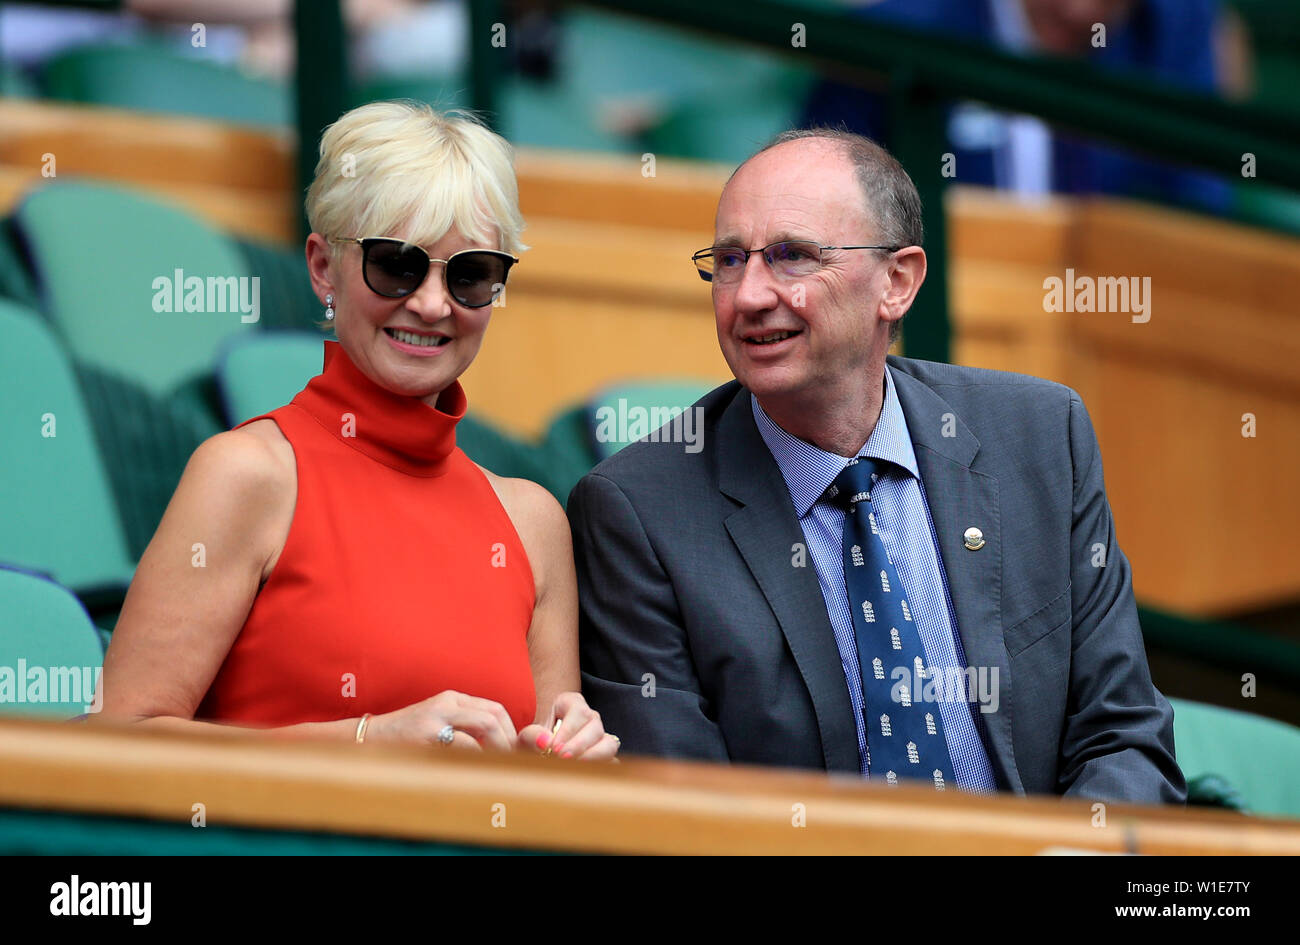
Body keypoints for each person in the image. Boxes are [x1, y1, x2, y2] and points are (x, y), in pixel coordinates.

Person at [568, 128, 1183, 801]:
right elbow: (690, 814)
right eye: (731, 260)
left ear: (897, 281)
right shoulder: (640, 513)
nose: (747, 296)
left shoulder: (1038, 436)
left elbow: (1124, 736)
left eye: (791, 256)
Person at [96, 101, 617, 761]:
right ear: (322, 269)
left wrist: (578, 759)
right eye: (396, 264)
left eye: (470, 275)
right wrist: (368, 739)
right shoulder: (247, 474)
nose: (431, 304)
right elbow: (117, 748)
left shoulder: (533, 521)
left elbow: (542, 787)